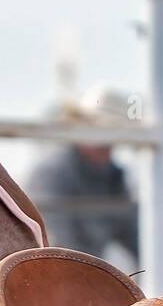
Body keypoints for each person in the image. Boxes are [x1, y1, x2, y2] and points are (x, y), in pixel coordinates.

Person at [26, 86, 140, 264]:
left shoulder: (113, 176)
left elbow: (133, 235)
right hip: (50, 276)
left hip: (84, 276)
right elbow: (60, 247)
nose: (107, 146)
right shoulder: (52, 173)